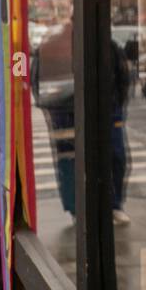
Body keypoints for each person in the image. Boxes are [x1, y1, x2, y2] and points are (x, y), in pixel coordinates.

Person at [32, 20, 131, 223]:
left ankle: (112, 204)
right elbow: (36, 77)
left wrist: (116, 107)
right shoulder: (56, 47)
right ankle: (78, 208)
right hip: (67, 113)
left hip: (103, 112)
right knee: (70, 160)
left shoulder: (109, 47)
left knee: (114, 157)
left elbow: (123, 78)